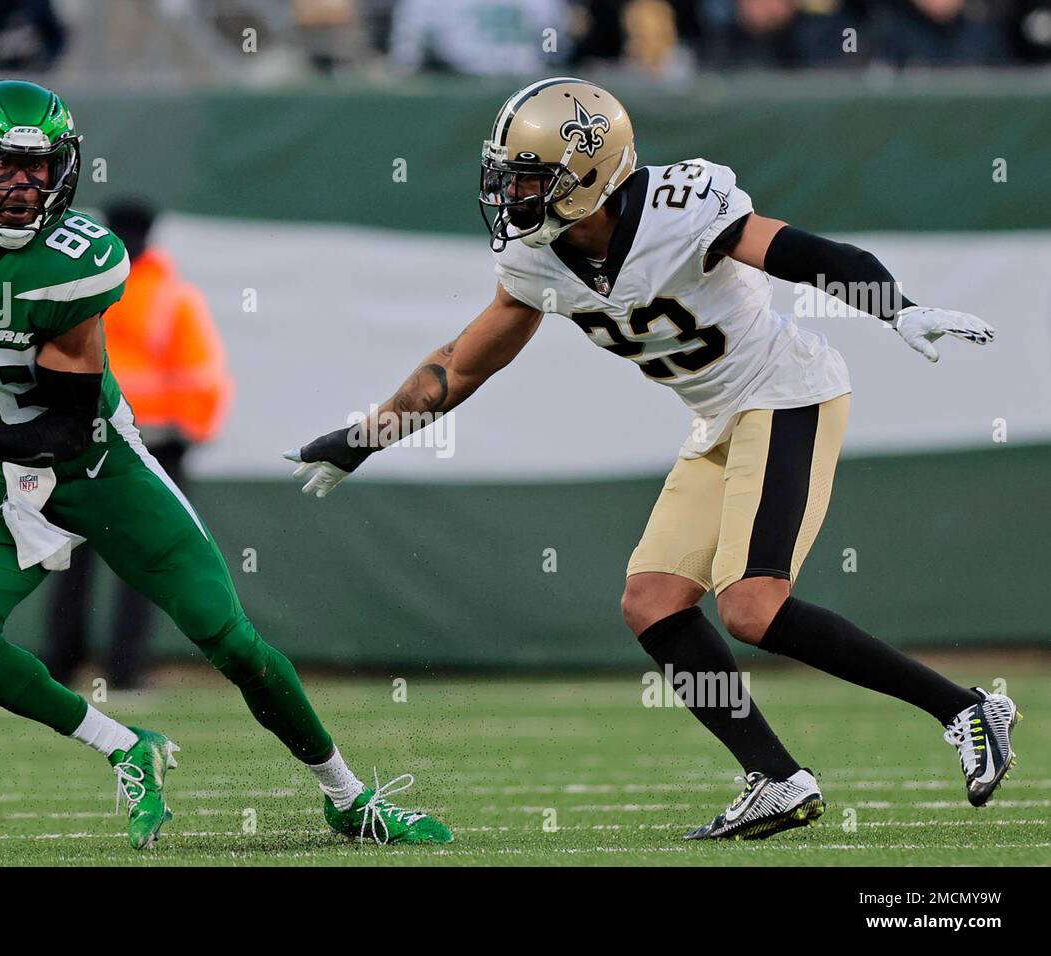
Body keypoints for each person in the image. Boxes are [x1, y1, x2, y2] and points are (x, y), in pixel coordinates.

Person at [287, 76, 1019, 841]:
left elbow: (799, 252)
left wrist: (893, 305)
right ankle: (775, 777)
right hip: (716, 419)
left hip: (788, 392)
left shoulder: (681, 207)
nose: (511, 195)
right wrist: (365, 437)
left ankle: (966, 709)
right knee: (653, 601)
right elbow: (463, 364)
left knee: (750, 606)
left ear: (591, 175)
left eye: (530, 178)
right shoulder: (539, 264)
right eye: (507, 176)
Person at [0, 79, 450, 849]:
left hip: (101, 469)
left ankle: (348, 795)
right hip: (9, 477)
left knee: (229, 640)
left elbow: (65, 427)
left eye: (42, 167)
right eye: (4, 165)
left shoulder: (75, 265)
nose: (25, 185)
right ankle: (125, 746)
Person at [44, 200, 232, 690]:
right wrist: (189, 433)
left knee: (71, 556)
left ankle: (62, 668)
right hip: (152, 447)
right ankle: (122, 672)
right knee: (143, 563)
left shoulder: (79, 291)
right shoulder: (172, 297)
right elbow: (204, 377)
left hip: (83, 442)